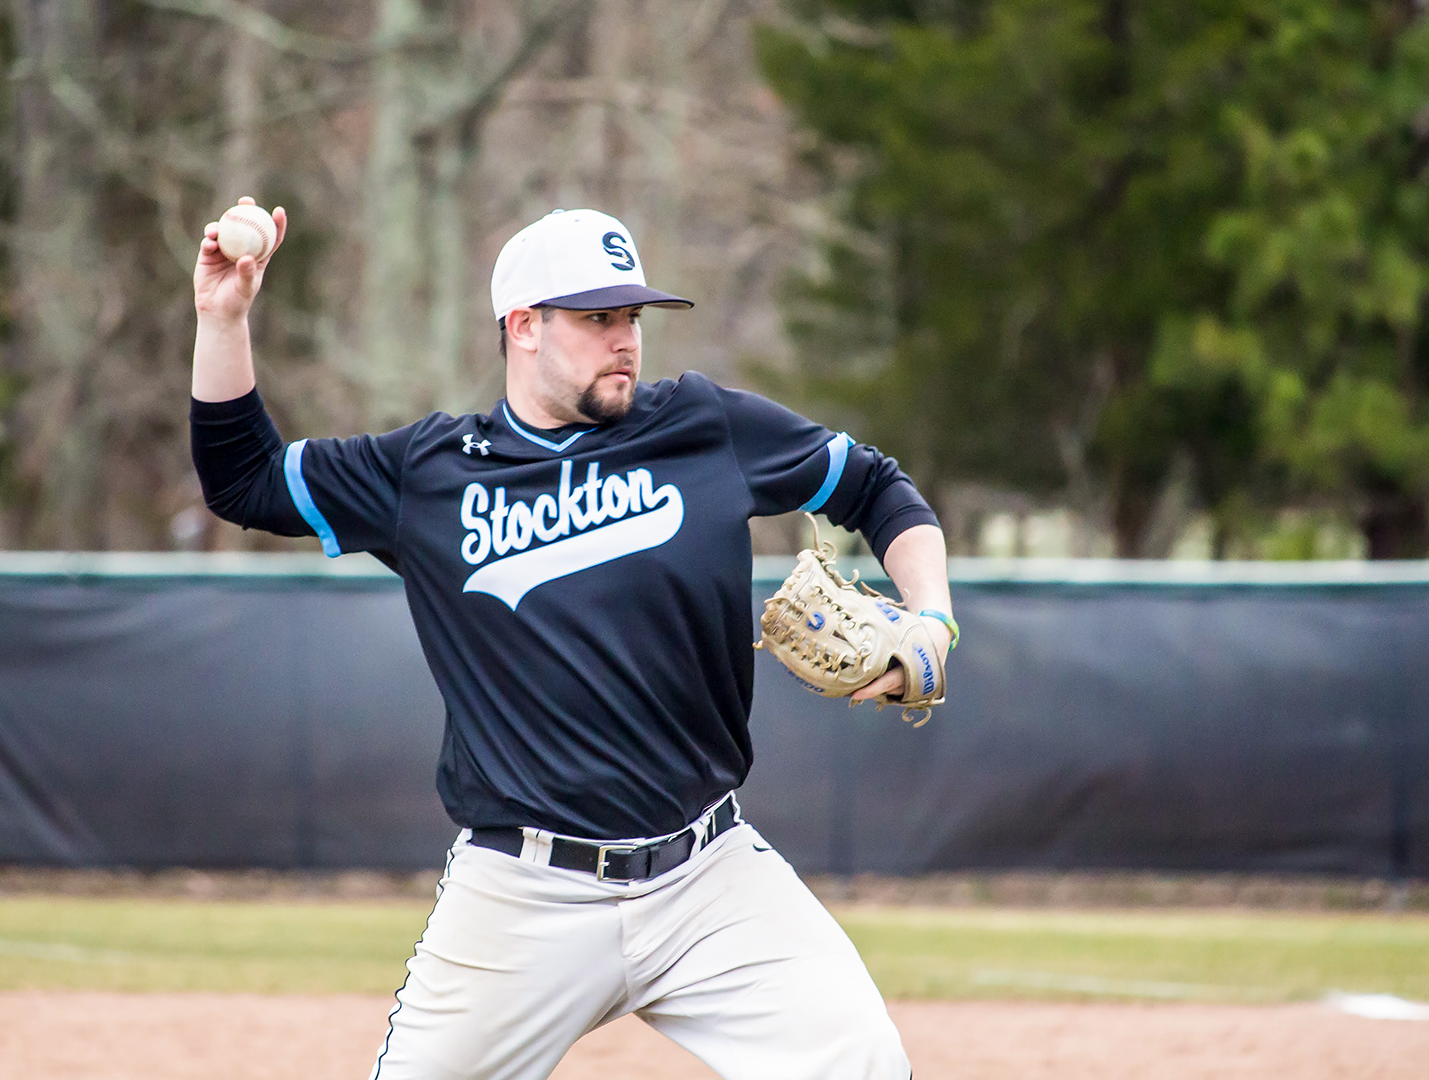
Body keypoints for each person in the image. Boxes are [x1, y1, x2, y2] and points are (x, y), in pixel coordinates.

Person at [190, 200, 954, 1079]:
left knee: (863, 1062)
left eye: (631, 316)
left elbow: (878, 488)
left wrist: (930, 617)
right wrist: (224, 317)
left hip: (706, 877)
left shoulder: (705, 428)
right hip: (522, 893)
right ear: (523, 327)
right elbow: (241, 479)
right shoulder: (428, 474)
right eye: (596, 318)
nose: (625, 337)